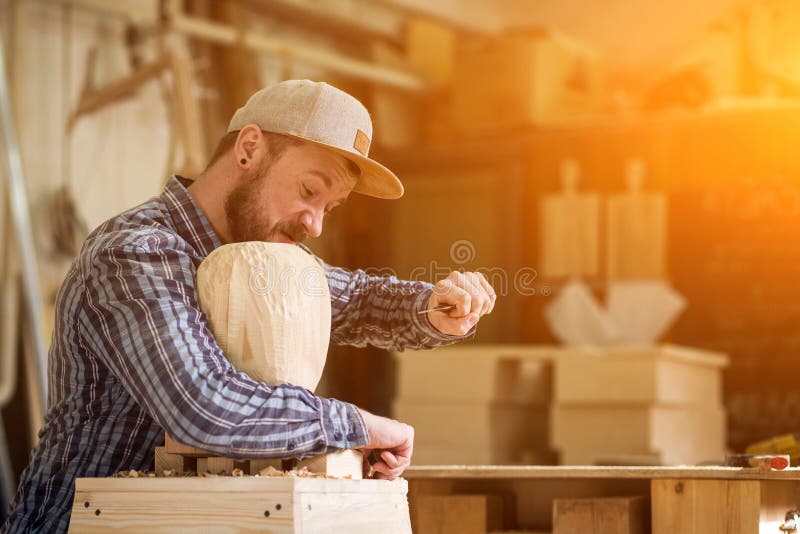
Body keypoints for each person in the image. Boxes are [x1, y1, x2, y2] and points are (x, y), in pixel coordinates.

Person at [3, 79, 496, 532]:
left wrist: (435, 309)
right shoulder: (136, 251)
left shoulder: (265, 260)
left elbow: (357, 299)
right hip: (76, 524)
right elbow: (205, 406)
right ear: (249, 149)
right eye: (309, 191)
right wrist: (358, 426)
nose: (316, 224)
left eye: (330, 206)